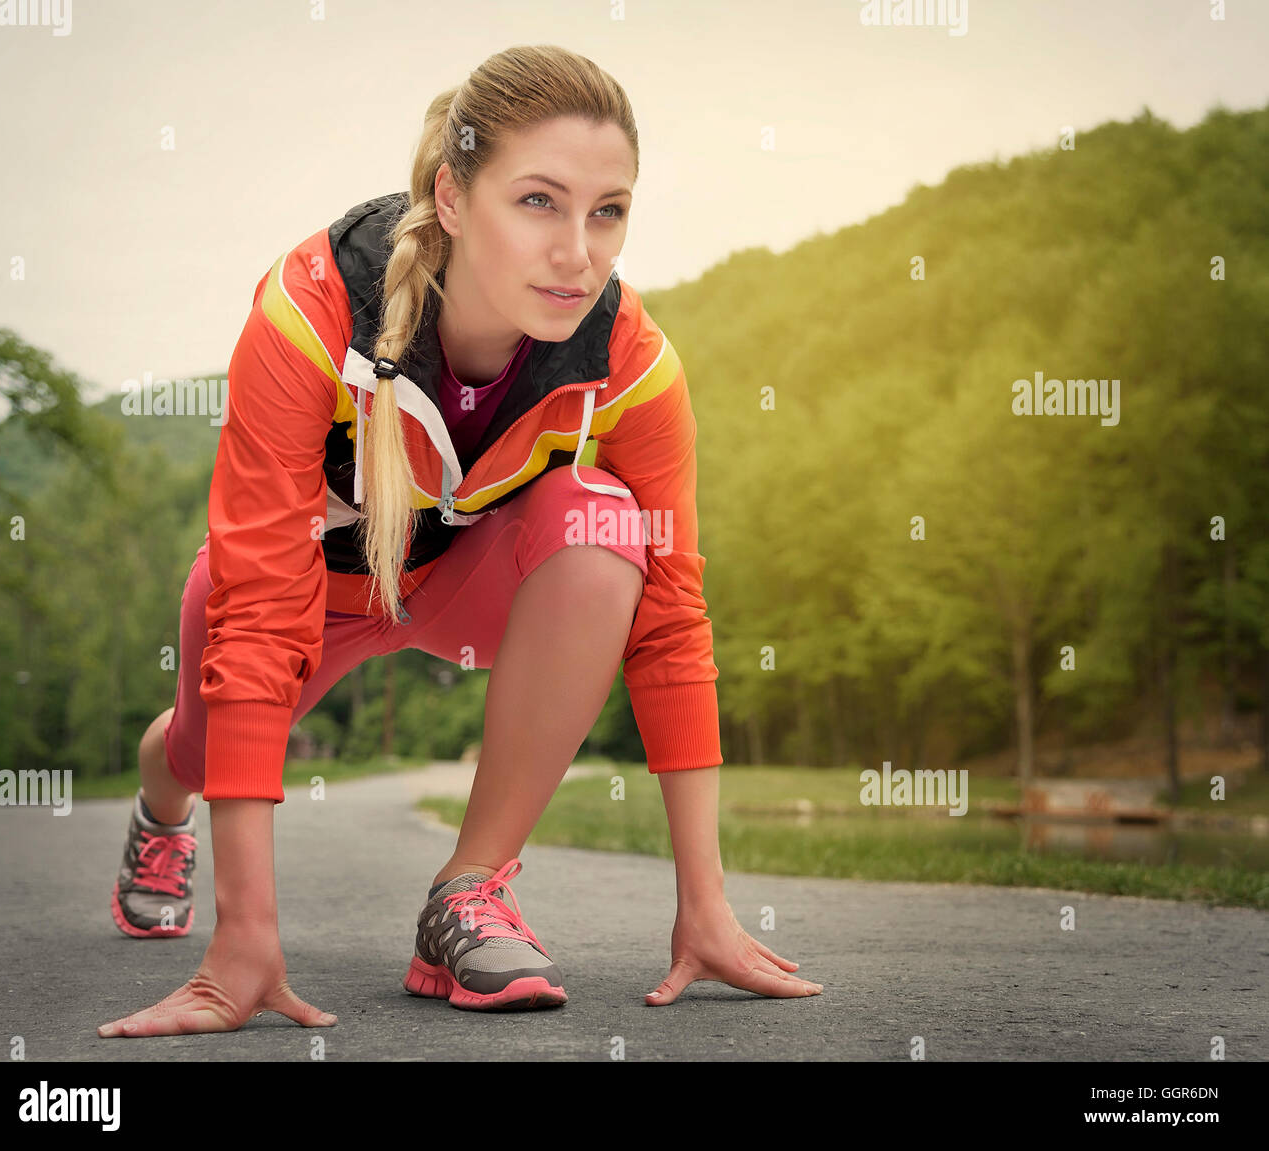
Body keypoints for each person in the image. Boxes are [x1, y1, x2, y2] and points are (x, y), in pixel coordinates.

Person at [98, 44, 821, 1038]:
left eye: (608, 209)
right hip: (308, 592)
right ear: (450, 195)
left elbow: (671, 617)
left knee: (602, 513)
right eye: (538, 201)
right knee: (193, 746)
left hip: (462, 590)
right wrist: (245, 937)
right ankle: (159, 808)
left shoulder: (632, 359)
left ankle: (468, 890)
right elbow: (261, 613)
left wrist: (705, 903)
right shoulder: (306, 311)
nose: (579, 249)